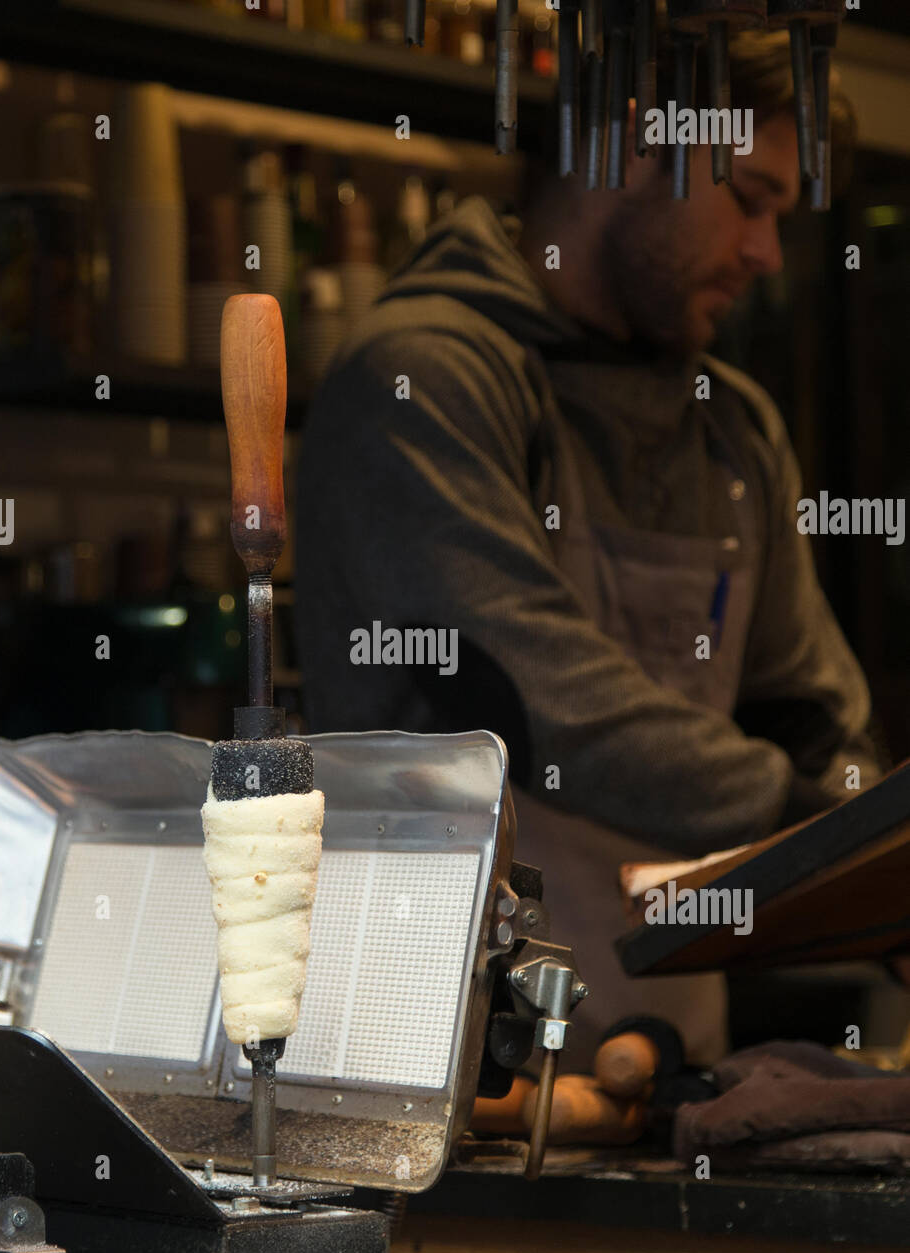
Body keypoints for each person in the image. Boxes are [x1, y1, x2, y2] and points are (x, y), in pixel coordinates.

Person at [293, 27, 885, 1072]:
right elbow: (539, 704)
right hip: (444, 1078)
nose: (763, 254)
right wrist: (817, 831)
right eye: (748, 198)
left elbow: (811, 714)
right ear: (634, 136)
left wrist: (869, 849)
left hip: (660, 1074)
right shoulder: (424, 380)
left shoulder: (732, 428)